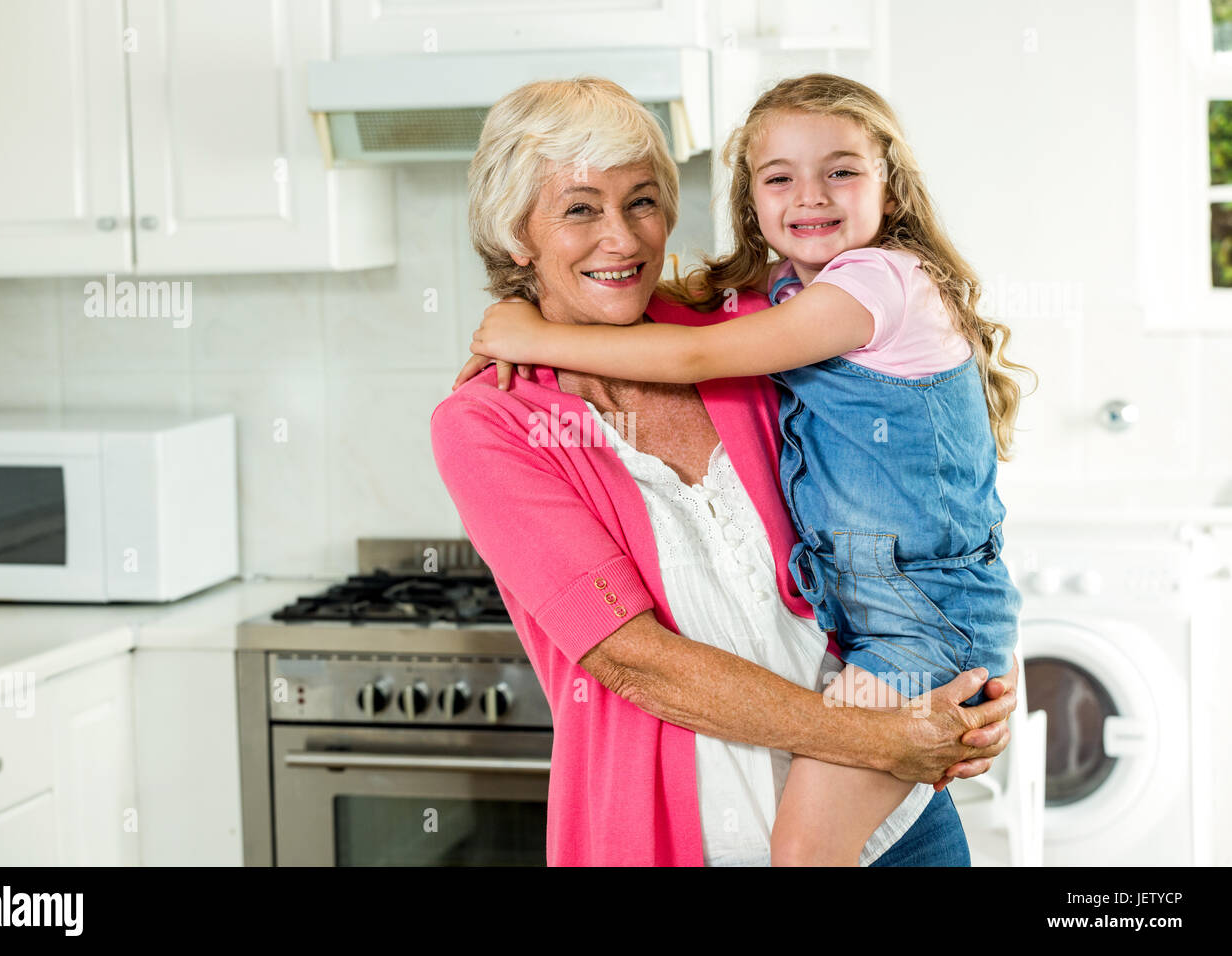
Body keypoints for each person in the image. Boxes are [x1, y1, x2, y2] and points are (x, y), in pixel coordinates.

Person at [434, 75, 1018, 867]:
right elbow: (636, 662)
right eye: (579, 209)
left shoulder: (742, 324)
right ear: (516, 236)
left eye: (642, 201)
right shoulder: (490, 423)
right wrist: (884, 736)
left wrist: (962, 681)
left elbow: (921, 477)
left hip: (894, 809)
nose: (623, 239)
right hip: (695, 834)